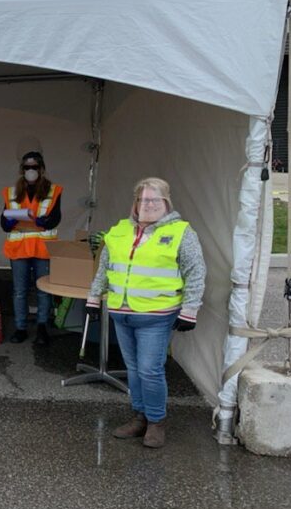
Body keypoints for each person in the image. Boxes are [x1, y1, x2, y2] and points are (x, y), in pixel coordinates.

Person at [86, 177, 205, 448]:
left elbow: (195, 272)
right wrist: (94, 297)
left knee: (150, 370)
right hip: (121, 313)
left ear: (166, 202)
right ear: (135, 202)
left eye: (154, 199)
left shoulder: (181, 232)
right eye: (142, 199)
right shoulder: (119, 230)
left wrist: (190, 309)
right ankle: (139, 417)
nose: (147, 204)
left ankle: (156, 422)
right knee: (134, 369)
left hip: (157, 315)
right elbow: (104, 267)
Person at [1, 151, 62, 345]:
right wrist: (9, 223)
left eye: (34, 167)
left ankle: (42, 327)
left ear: (42, 169)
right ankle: (21, 328)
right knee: (20, 291)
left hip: (42, 249)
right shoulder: (11, 192)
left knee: (44, 290)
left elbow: (56, 218)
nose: (30, 171)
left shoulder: (53, 191)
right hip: (19, 249)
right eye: (27, 167)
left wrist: (44, 222)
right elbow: (3, 222)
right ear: (21, 170)